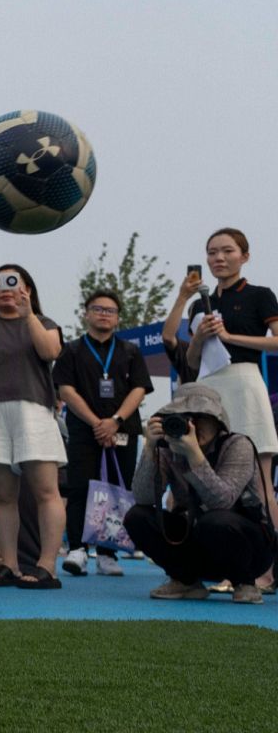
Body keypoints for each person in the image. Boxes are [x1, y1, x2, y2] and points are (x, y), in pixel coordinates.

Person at [0, 264, 66, 589]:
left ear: (28, 289)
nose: (6, 289)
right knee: (3, 495)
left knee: (46, 491)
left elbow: (51, 351)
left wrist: (27, 312)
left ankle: (47, 565)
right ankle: (9, 563)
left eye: (13, 283)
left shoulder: (43, 322)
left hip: (32, 410)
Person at [183, 228, 278, 591]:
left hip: (245, 384)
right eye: (211, 252)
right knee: (213, 478)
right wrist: (202, 336)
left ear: (244, 256)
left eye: (227, 251)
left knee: (261, 483)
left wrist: (230, 337)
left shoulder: (259, 295)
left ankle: (267, 569)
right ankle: (233, 567)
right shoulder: (199, 303)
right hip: (210, 391)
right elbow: (191, 359)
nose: (218, 258)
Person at [128, 385, 274, 603]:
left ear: (218, 421)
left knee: (214, 520)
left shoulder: (238, 445)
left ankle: (244, 582)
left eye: (201, 417)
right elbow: (143, 498)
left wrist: (194, 455)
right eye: (185, 418)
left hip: (248, 547)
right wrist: (150, 448)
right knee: (137, 516)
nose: (192, 425)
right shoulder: (169, 448)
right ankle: (186, 581)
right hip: (198, 539)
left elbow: (222, 501)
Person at [53, 289, 152, 578]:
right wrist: (97, 422)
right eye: (98, 309)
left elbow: (139, 388)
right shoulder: (71, 350)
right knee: (80, 488)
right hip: (85, 431)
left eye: (110, 310)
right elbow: (65, 390)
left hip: (123, 430)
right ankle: (78, 549)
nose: (104, 314)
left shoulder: (130, 351)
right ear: (87, 313)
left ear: (117, 317)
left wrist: (116, 420)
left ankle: (108, 553)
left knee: (116, 490)